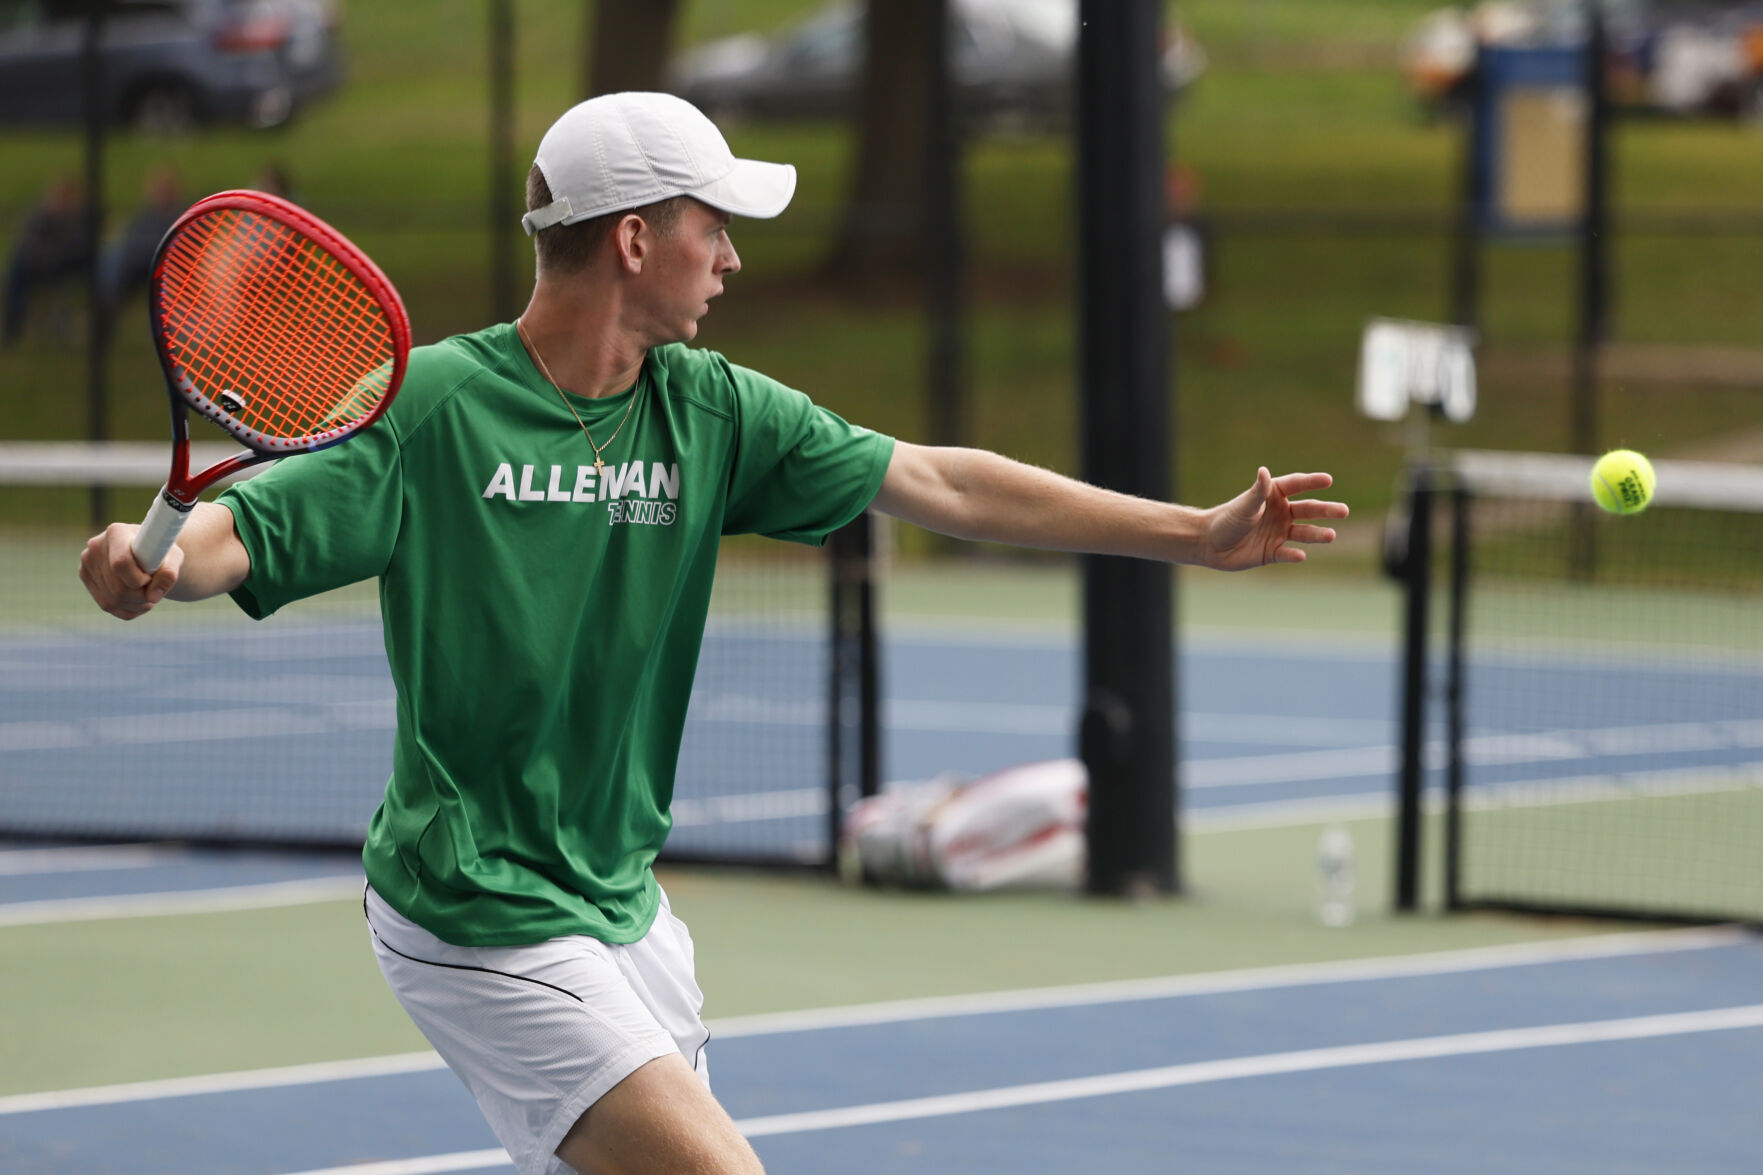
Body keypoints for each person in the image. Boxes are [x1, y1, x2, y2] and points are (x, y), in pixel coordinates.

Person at [78, 92, 1348, 1175]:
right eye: (713, 224)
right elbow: (248, 525)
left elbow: (942, 482)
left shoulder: (712, 410)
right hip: (477, 906)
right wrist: (162, 563)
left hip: (624, 906)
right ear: (635, 239)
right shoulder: (434, 409)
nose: (732, 255)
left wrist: (1191, 532)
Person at [2, 174, 92, 346]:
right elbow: (28, 239)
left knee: (19, 272)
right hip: (37, 264)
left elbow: (77, 249)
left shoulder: (78, 221)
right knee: (16, 273)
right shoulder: (43, 217)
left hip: (62, 267)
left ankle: (14, 330)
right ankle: (12, 330)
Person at [98, 165, 184, 329]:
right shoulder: (143, 217)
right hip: (134, 269)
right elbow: (130, 240)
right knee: (111, 257)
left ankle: (106, 306)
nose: (161, 194)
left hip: (161, 270)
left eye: (165, 189)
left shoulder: (179, 218)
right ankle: (105, 306)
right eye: (158, 189)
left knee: (117, 260)